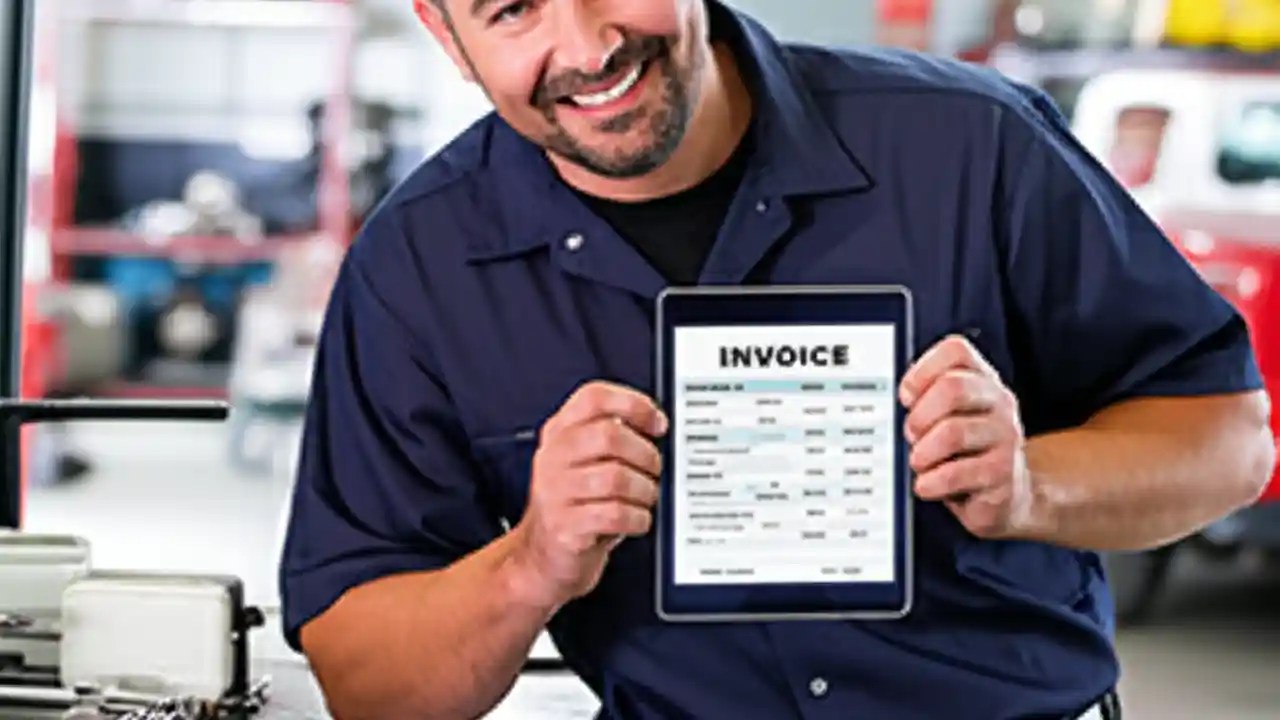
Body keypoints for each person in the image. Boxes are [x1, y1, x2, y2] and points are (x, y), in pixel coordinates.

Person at [277, 1, 1275, 718]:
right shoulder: (420, 267)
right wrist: (528, 565)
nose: (585, 44)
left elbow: (1228, 440)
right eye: (512, 11)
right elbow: (366, 685)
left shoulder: (973, 147)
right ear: (443, 33)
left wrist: (1027, 485)